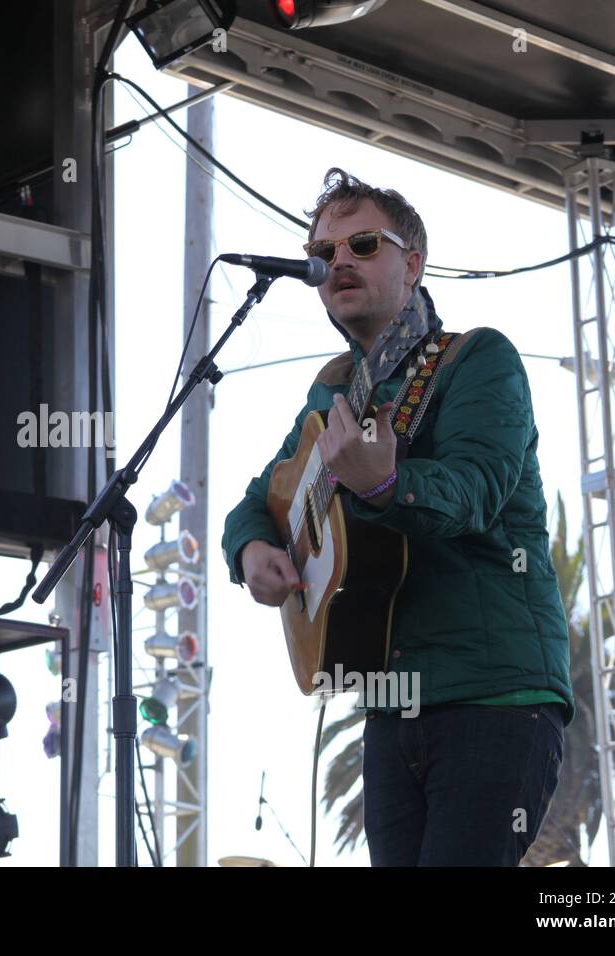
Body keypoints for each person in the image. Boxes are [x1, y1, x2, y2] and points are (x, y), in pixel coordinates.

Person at [221, 168, 573, 866]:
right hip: (389, 701)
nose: (338, 262)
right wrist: (251, 550)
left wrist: (387, 484)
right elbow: (262, 497)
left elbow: (477, 490)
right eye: (324, 254)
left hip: (494, 691)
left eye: (362, 244)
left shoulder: (476, 360)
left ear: (412, 264)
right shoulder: (332, 390)